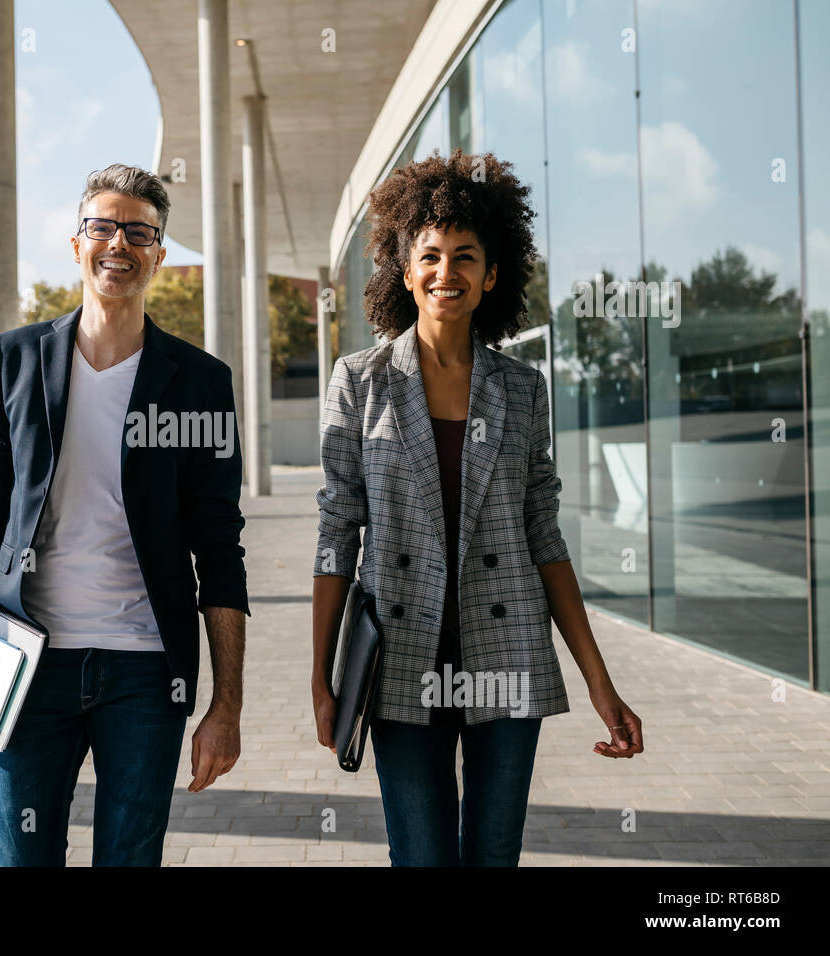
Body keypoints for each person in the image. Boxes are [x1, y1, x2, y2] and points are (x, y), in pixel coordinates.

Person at [310, 149, 644, 867]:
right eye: (430, 255)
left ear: (492, 274)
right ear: (405, 270)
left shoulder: (522, 391)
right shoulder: (359, 383)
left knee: (494, 858)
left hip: (508, 657)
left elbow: (543, 539)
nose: (446, 272)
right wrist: (321, 676)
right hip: (399, 659)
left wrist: (600, 683)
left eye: (465, 256)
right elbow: (337, 534)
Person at [0, 164, 250, 867]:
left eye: (140, 231)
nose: (119, 243)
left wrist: (225, 706)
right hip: (23, 665)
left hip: (146, 673)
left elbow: (219, 551)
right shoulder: (15, 360)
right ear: (77, 244)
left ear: (160, 254)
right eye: (103, 227)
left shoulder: (200, 383)